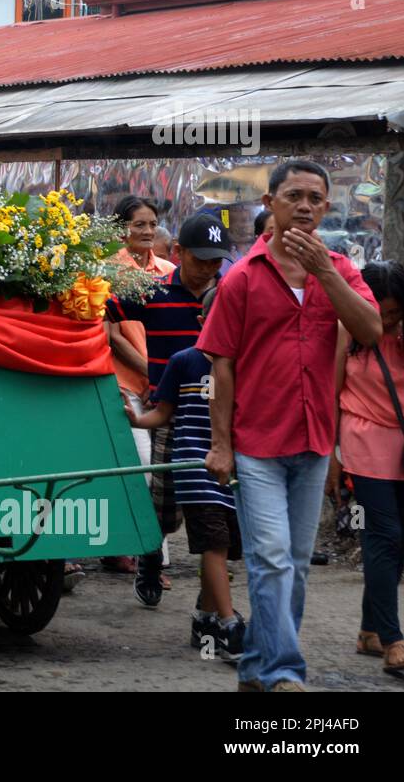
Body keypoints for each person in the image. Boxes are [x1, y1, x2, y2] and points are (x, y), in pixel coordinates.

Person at [199, 160, 382, 692]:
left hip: (314, 437)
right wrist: (221, 444)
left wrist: (325, 272)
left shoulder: (342, 271)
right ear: (271, 205)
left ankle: (256, 669)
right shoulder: (241, 278)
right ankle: (283, 673)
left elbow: (369, 329)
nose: (305, 206)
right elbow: (222, 364)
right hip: (257, 443)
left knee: (295, 565)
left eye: (315, 198)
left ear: (327, 208)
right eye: (294, 196)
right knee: (272, 558)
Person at [106, 215, 234, 604]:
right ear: (179, 253)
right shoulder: (152, 292)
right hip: (171, 413)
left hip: (225, 419)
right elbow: (106, 315)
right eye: (200, 260)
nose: (208, 270)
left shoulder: (230, 296)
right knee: (164, 502)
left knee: (216, 506)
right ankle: (150, 557)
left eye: (216, 262)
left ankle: (210, 593)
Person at [127, 288, 247, 660]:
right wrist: (137, 420)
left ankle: (204, 617)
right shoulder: (184, 361)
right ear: (202, 321)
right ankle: (229, 624)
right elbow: (164, 413)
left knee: (225, 548)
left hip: (235, 474)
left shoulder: (246, 363)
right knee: (213, 543)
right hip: (194, 468)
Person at [330, 261, 404, 675]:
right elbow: (332, 391)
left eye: (395, 313)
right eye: (381, 312)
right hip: (363, 439)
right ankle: (394, 640)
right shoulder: (350, 330)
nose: (388, 321)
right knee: (385, 534)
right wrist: (329, 456)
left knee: (400, 538)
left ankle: (368, 631)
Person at [100, 195, 176, 576]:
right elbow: (111, 335)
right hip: (126, 383)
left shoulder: (167, 270)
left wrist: (164, 377)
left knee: (163, 474)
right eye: (138, 225)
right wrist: (151, 372)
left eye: (151, 224)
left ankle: (150, 557)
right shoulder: (109, 271)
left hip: (161, 384)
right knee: (141, 468)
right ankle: (133, 548)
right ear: (121, 230)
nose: (146, 231)